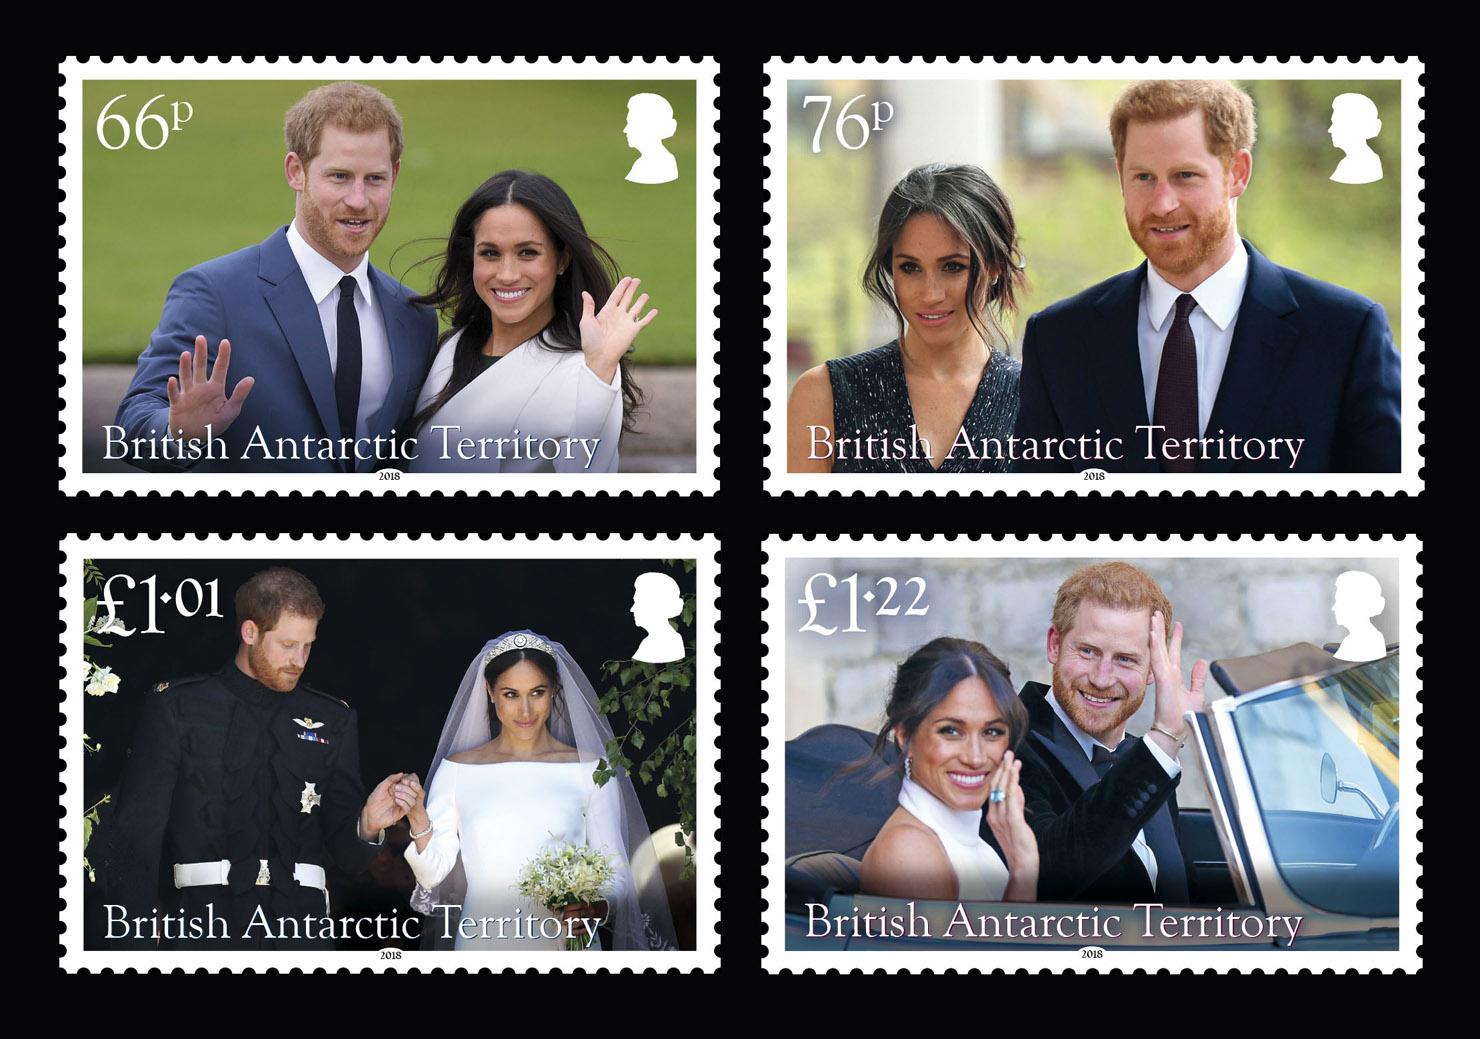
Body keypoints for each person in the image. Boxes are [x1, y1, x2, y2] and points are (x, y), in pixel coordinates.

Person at [1013, 79, 1401, 474]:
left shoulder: (1345, 334)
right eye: (1143, 177)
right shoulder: (1059, 340)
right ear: (1120, 177)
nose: (1163, 204)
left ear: (1238, 173)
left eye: (1185, 175)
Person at [114, 82, 439, 473]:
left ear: (396, 175)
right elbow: (132, 425)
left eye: (375, 179)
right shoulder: (214, 292)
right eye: (339, 176)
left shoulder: (414, 316)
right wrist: (177, 433)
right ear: (295, 171)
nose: (358, 199)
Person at [94, 568, 416, 949]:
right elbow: (134, 840)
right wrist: (136, 945)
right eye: (287, 644)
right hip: (204, 930)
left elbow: (345, 854)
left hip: (304, 935)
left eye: (308, 646)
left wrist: (366, 825)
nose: (299, 659)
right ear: (250, 633)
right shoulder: (178, 707)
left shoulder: (334, 717)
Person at [399, 631, 678, 950]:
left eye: (537, 692)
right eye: (511, 694)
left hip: (567, 943)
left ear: (555, 690)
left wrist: (594, 908)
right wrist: (417, 817)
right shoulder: (457, 772)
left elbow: (617, 872)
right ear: (490, 692)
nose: (526, 710)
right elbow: (433, 873)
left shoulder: (592, 771)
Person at [407, 171, 651, 474]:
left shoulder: (584, 375)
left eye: (528, 253)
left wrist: (600, 371)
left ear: (561, 260)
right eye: (490, 253)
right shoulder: (450, 347)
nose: (507, 274)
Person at [788, 163, 1025, 474]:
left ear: (994, 266)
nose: (930, 294)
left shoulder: (1035, 396)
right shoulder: (824, 395)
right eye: (910, 268)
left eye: (953, 267)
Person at [1013, 563, 1206, 904]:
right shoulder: (1007, 745)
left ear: (1152, 669)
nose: (1102, 678)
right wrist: (1164, 739)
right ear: (1055, 645)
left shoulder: (1142, 757)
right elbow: (1046, 873)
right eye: (1087, 651)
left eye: (1126, 659)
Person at [856, 638, 1038, 902]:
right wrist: (1024, 871)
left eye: (992, 732)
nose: (975, 758)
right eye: (951, 731)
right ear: (905, 736)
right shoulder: (909, 854)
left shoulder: (969, 842)